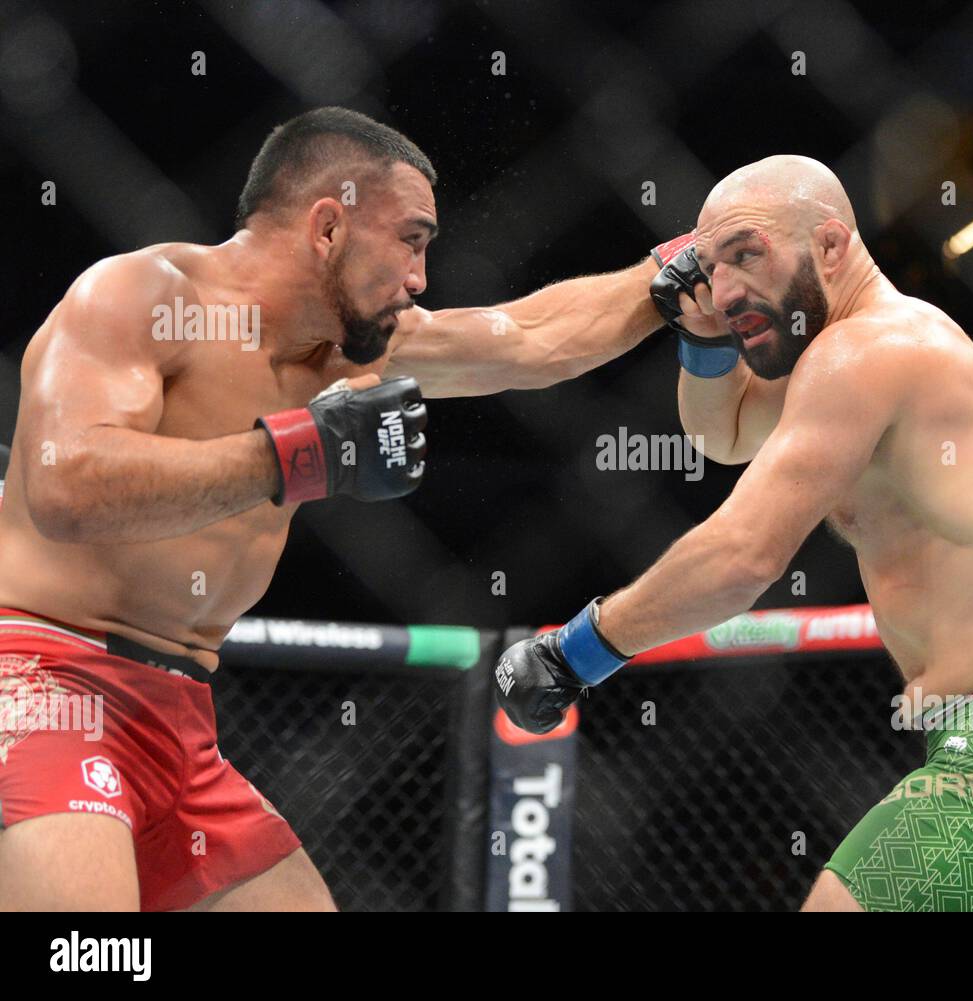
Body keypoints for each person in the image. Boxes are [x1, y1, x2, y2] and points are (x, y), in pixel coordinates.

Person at [0, 106, 685, 911]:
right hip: (45, 676)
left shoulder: (352, 351)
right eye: (413, 239)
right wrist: (292, 453)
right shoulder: (144, 295)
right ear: (328, 227)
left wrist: (671, 274)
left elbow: (532, 339)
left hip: (180, 715)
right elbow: (63, 484)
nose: (421, 278)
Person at [494, 155, 973, 912]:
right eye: (710, 269)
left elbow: (742, 556)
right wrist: (706, 342)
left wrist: (572, 651)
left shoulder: (865, 352)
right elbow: (728, 431)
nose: (728, 287)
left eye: (748, 254)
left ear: (833, 247)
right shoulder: (866, 358)